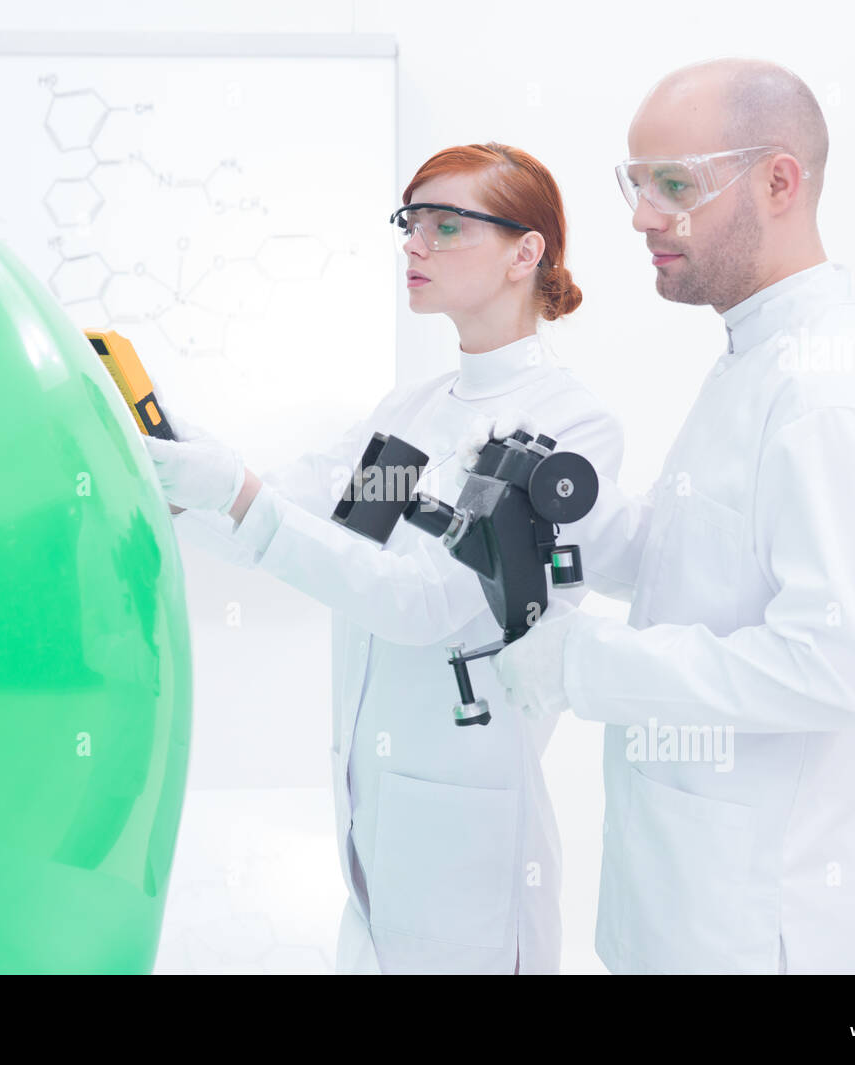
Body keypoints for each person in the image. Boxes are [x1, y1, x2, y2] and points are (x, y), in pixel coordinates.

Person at [493, 59, 855, 974]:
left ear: (780, 180)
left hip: (758, 925)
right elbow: (695, 555)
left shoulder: (831, 392)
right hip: (685, 901)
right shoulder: (756, 357)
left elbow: (844, 662)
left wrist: (585, 662)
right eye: (634, 182)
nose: (641, 215)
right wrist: (562, 509)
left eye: (674, 184)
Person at [145, 143, 624, 974]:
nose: (413, 244)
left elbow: (423, 603)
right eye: (410, 223)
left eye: (445, 225)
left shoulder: (567, 425)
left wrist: (237, 492)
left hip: (467, 827)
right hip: (371, 812)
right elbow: (304, 521)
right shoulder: (415, 411)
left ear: (526, 250)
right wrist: (178, 471)